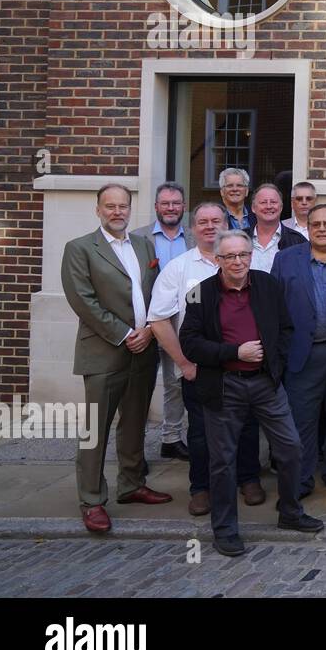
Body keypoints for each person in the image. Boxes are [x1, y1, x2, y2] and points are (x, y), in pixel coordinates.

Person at [178, 230, 323, 556]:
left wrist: (276, 363)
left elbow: (286, 328)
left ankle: (290, 512)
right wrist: (234, 352)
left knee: (290, 448)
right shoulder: (200, 294)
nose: (238, 261)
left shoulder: (267, 285)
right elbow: (189, 343)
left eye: (243, 254)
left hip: (265, 384)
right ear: (218, 260)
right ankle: (226, 530)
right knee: (223, 461)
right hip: (224, 386)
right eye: (230, 256)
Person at [62, 184, 172, 533]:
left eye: (123, 206)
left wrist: (151, 331)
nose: (117, 212)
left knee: (134, 422)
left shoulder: (144, 245)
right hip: (104, 351)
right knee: (96, 428)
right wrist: (126, 334)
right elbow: (83, 300)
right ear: (98, 209)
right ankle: (92, 500)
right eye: (109, 206)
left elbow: (156, 293)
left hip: (144, 348)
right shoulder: (80, 248)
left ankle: (131, 484)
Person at [148, 202, 264, 516]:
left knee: (247, 426)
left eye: (216, 220)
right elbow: (158, 319)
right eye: (202, 221)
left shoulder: (250, 263)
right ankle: (201, 488)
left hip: (246, 366)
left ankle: (248, 478)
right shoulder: (180, 267)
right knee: (200, 431)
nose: (210, 226)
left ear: (226, 222)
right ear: (194, 227)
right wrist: (183, 363)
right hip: (201, 368)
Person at [270, 204, 326, 499]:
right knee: (301, 420)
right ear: (307, 228)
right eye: (316, 224)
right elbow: (276, 310)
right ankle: (302, 477)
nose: (322, 229)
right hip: (302, 356)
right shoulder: (285, 260)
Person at [131, 181, 193, 461]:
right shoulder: (137, 238)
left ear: (183, 206)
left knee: (175, 382)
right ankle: (134, 450)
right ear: (156, 206)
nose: (171, 208)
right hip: (145, 323)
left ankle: (171, 438)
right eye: (165, 203)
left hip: (178, 324)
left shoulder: (193, 238)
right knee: (139, 388)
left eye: (176, 203)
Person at [247, 184, 305, 272]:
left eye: (273, 202)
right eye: (263, 202)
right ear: (253, 208)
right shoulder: (239, 238)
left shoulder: (297, 241)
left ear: (281, 207)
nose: (269, 206)